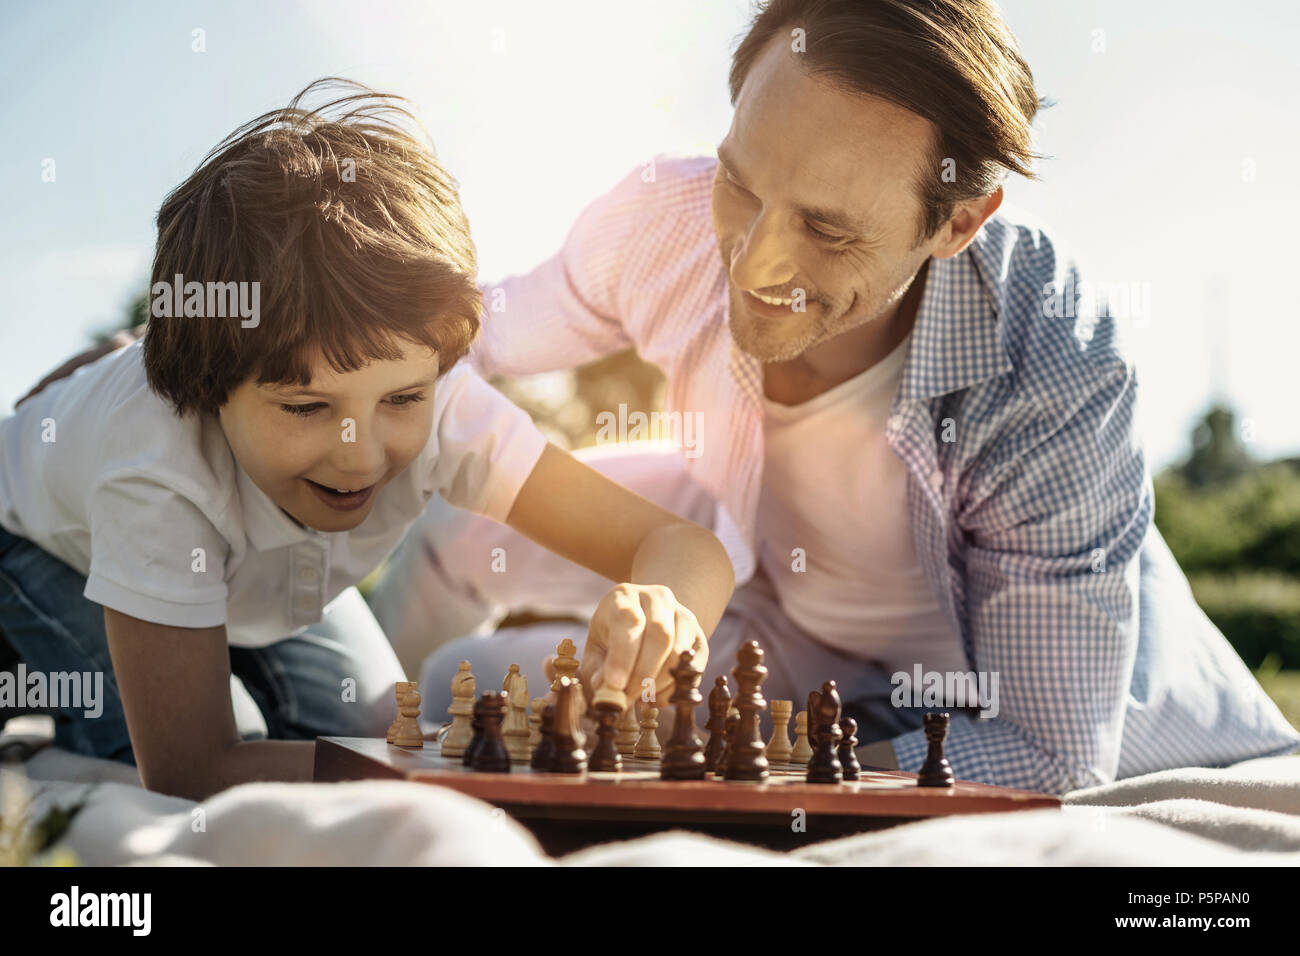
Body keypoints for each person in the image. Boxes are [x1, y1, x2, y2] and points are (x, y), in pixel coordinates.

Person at [370, 0, 1300, 795]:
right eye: (741, 183)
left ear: (958, 222)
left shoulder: (1050, 361)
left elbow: (1051, 754)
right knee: (459, 614)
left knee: (511, 697)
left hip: (975, 688)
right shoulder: (663, 221)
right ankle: (322, 708)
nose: (754, 262)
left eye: (825, 227)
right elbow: (461, 337)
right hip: (769, 588)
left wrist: (773, 772)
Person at [0, 79, 735, 800]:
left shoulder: (446, 404)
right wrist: (461, 772)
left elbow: (686, 547)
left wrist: (666, 608)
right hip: (43, 544)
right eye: (305, 407)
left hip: (262, 581)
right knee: (167, 773)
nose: (359, 456)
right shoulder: (151, 473)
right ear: (210, 386)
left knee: (378, 730)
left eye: (403, 399)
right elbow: (194, 767)